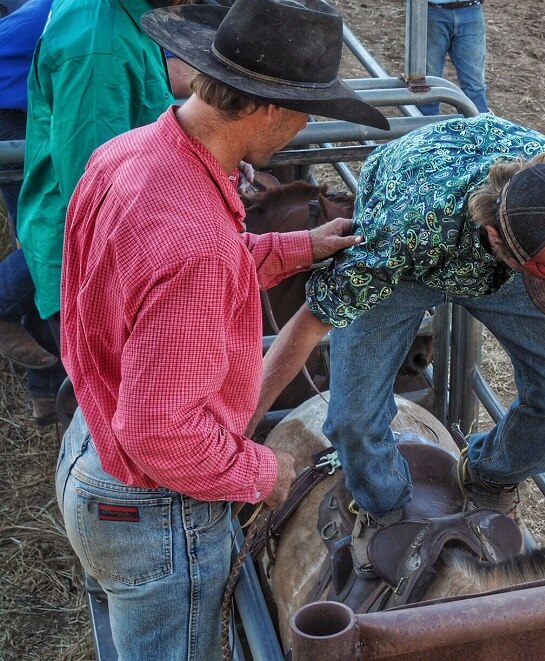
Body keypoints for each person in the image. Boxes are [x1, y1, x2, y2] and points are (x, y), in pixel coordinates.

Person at [54, 0, 388, 657]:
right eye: (305, 112)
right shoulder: (195, 242)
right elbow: (164, 432)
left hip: (90, 452)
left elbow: (177, 269)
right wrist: (264, 468)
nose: (301, 130)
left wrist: (302, 246)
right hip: (154, 507)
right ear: (269, 109)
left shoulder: (129, 156)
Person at [250, 112, 545, 578]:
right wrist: (248, 416)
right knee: (353, 418)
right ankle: (385, 507)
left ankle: (489, 475)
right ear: (495, 239)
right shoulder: (401, 231)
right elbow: (310, 324)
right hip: (413, 253)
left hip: (518, 256)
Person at [16, 0, 189, 348]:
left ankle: (48, 400)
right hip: (101, 278)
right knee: (124, 401)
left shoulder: (128, 15)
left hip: (117, 264)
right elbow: (97, 193)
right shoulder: (100, 44)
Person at [0, 0, 65, 426]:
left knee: (43, 238)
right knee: (48, 234)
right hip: (10, 111)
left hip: (35, 103)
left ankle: (46, 390)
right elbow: (179, 73)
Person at [417, 0, 490, 115]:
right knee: (427, 80)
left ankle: (478, 127)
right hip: (433, 10)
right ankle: (425, 127)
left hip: (469, 9)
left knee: (474, 82)